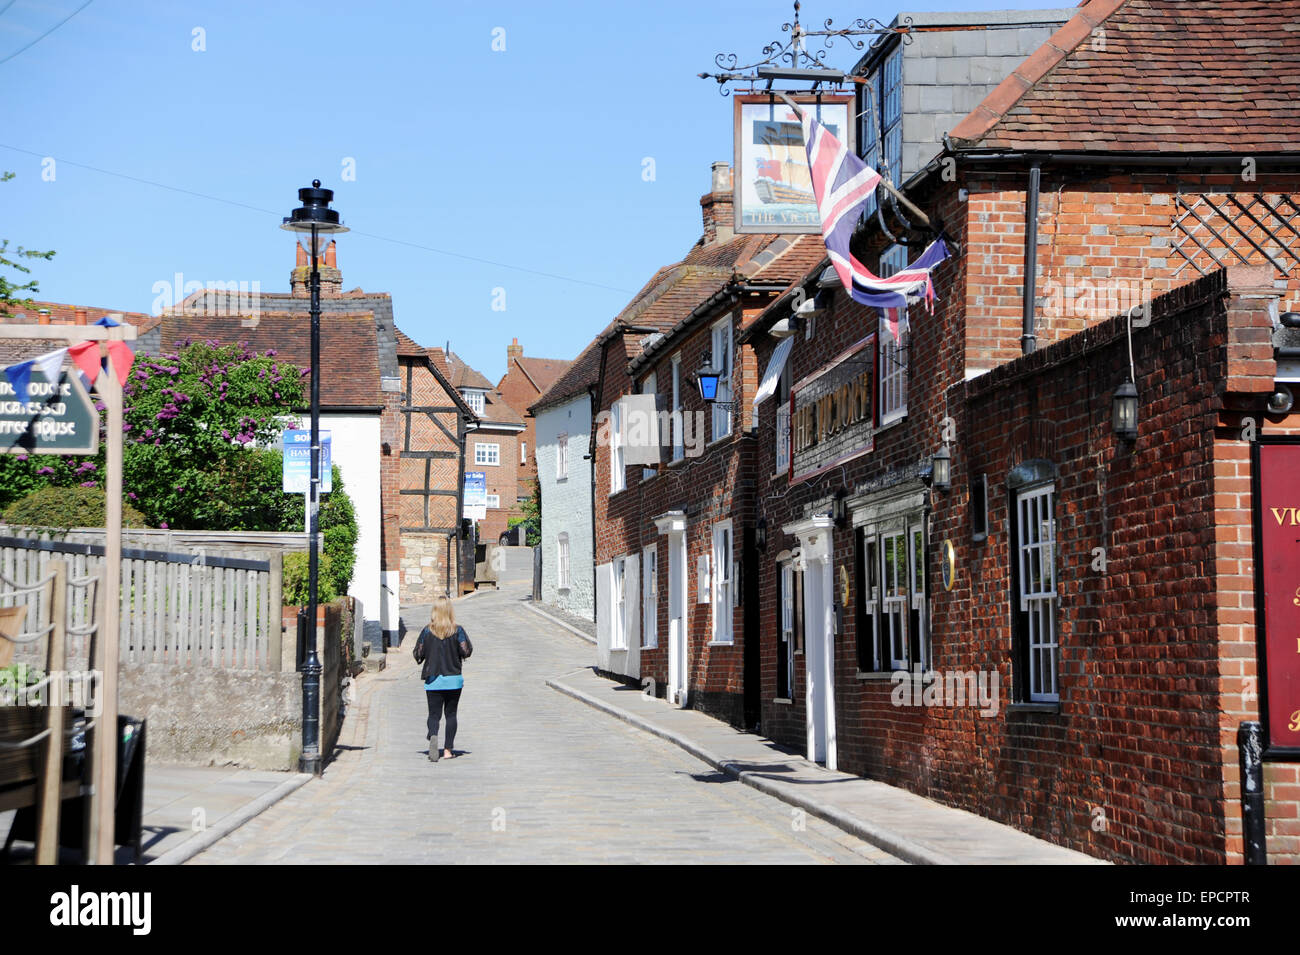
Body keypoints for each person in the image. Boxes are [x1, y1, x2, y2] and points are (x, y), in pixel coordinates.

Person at [412, 596, 473, 762]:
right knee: (451, 715)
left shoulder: (427, 631)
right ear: (449, 611)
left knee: (434, 715)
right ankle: (447, 750)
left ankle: (433, 734)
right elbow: (466, 651)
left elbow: (418, 654)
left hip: (433, 680)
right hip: (453, 679)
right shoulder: (457, 630)